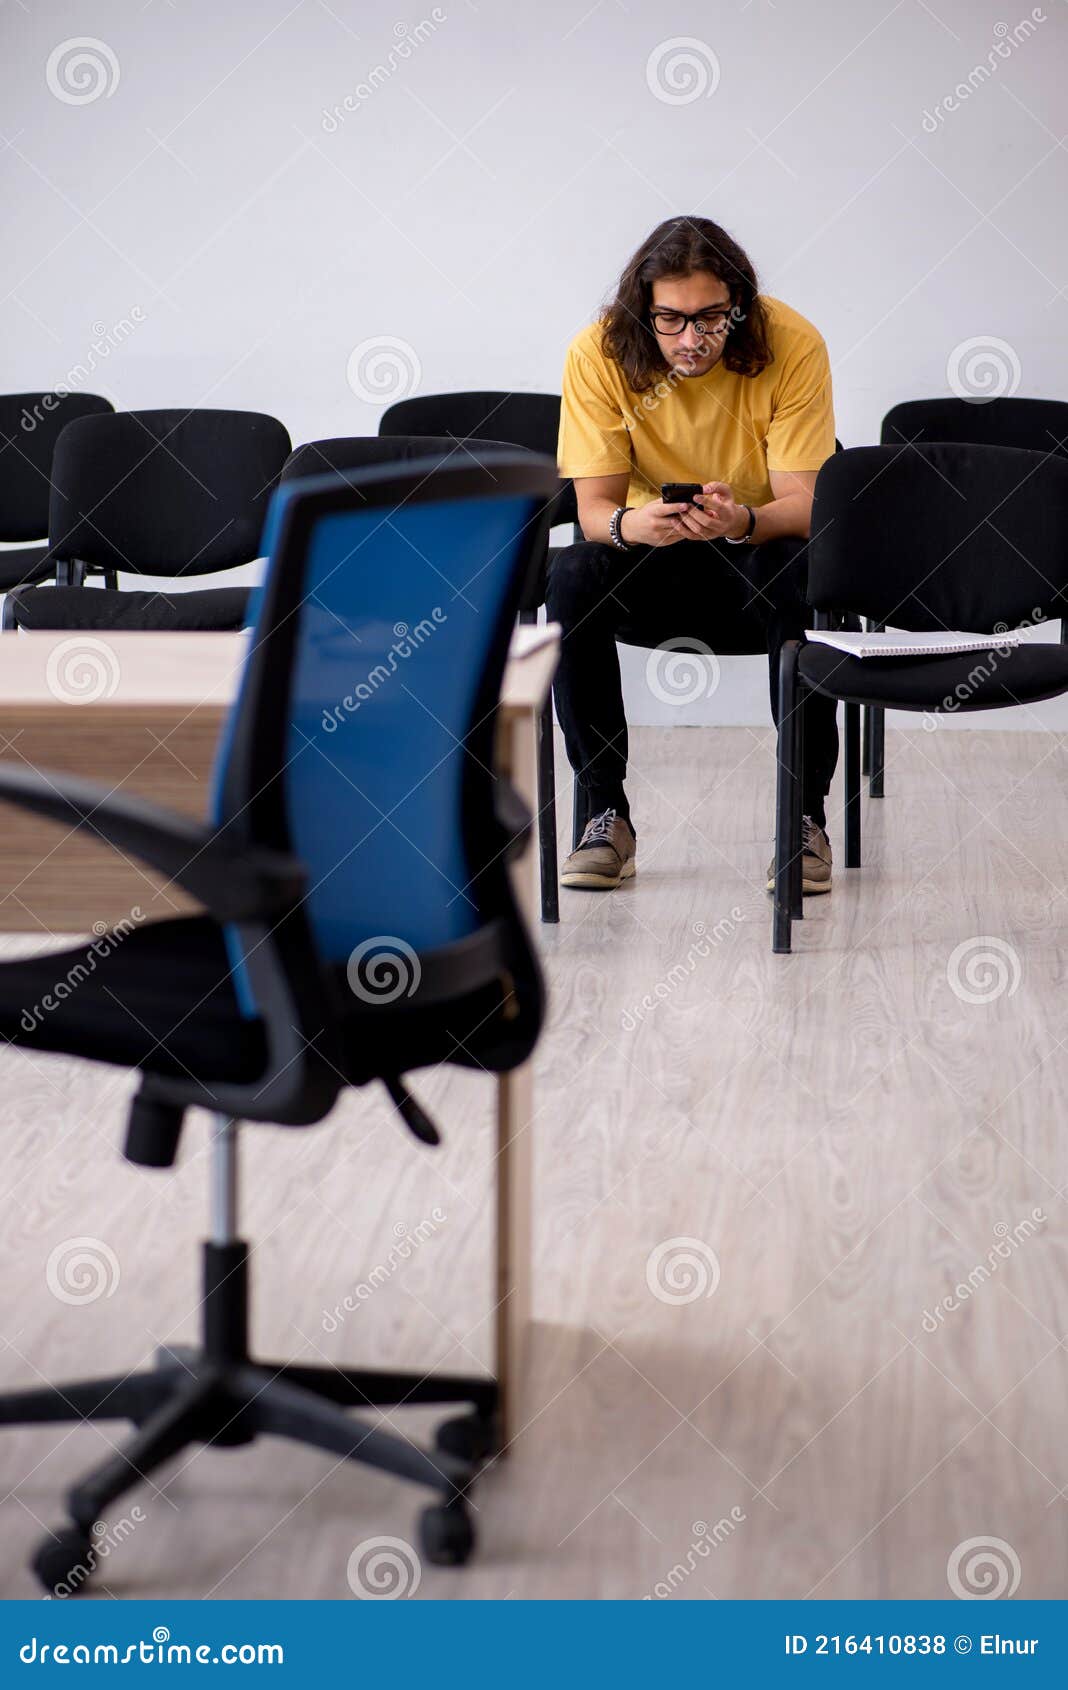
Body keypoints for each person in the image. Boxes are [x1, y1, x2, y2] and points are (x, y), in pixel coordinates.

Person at [550, 215, 839, 895]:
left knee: (798, 564)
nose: (691, 339)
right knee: (571, 571)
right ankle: (605, 813)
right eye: (670, 320)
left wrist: (740, 520)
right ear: (642, 312)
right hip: (653, 553)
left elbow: (806, 504)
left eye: (711, 318)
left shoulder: (793, 344)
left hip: (757, 550)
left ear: (739, 306)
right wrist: (634, 526)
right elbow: (592, 513)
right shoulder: (597, 352)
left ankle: (804, 818)